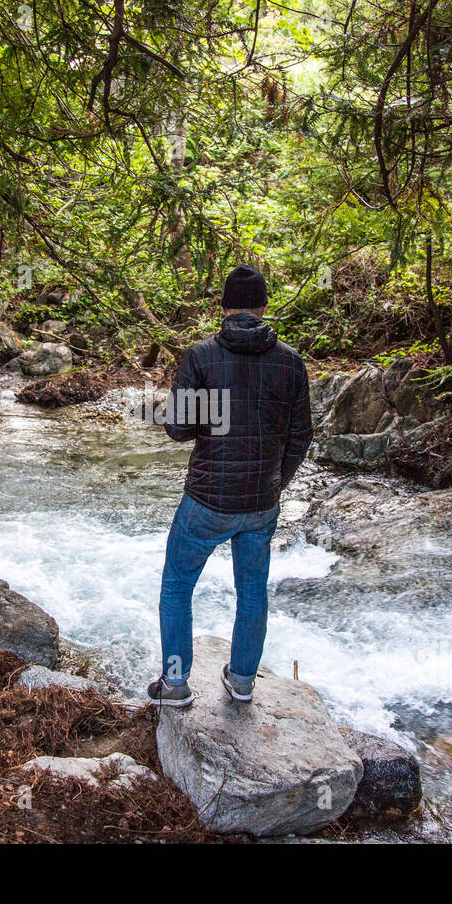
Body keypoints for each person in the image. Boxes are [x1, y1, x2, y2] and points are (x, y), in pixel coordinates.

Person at [148, 265, 312, 707]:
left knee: (177, 588)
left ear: (222, 308)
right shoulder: (291, 361)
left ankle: (176, 685)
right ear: (263, 307)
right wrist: (278, 481)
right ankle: (242, 681)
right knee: (253, 592)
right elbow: (301, 437)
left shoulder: (201, 357)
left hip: (207, 497)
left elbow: (179, 429)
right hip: (261, 501)